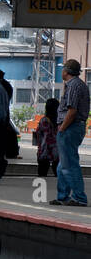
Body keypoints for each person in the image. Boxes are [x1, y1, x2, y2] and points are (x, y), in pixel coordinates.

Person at [52, 59, 89, 207]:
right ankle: (63, 196)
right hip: (74, 127)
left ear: (66, 71)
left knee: (70, 165)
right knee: (63, 165)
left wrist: (62, 128)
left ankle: (79, 198)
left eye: (63, 69)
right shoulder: (80, 85)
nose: (62, 71)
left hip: (70, 127)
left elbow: (72, 111)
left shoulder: (73, 86)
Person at [36, 97, 60, 178]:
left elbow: (39, 135)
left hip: (44, 151)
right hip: (57, 151)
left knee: (42, 174)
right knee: (58, 174)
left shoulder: (44, 121)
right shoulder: (59, 121)